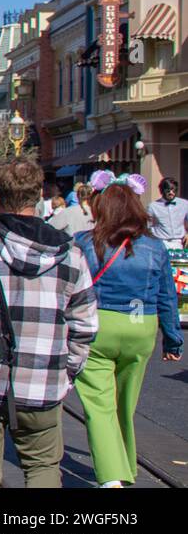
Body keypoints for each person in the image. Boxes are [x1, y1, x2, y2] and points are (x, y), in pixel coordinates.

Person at [0, 157, 98, 489]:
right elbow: (85, 324)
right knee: (42, 466)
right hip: (41, 383)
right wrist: (67, 372)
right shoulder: (69, 254)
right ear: (37, 197)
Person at [72, 172, 183, 487]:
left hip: (97, 326)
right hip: (140, 327)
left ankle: (111, 478)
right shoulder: (155, 247)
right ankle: (126, 466)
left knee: (99, 403)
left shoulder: (83, 242)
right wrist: (173, 340)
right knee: (125, 403)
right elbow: (167, 296)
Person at [147, 177, 188, 251]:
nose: (171, 193)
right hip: (160, 242)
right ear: (162, 191)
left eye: (173, 190)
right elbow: (147, 225)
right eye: (168, 190)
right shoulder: (153, 206)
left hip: (179, 242)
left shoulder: (184, 204)